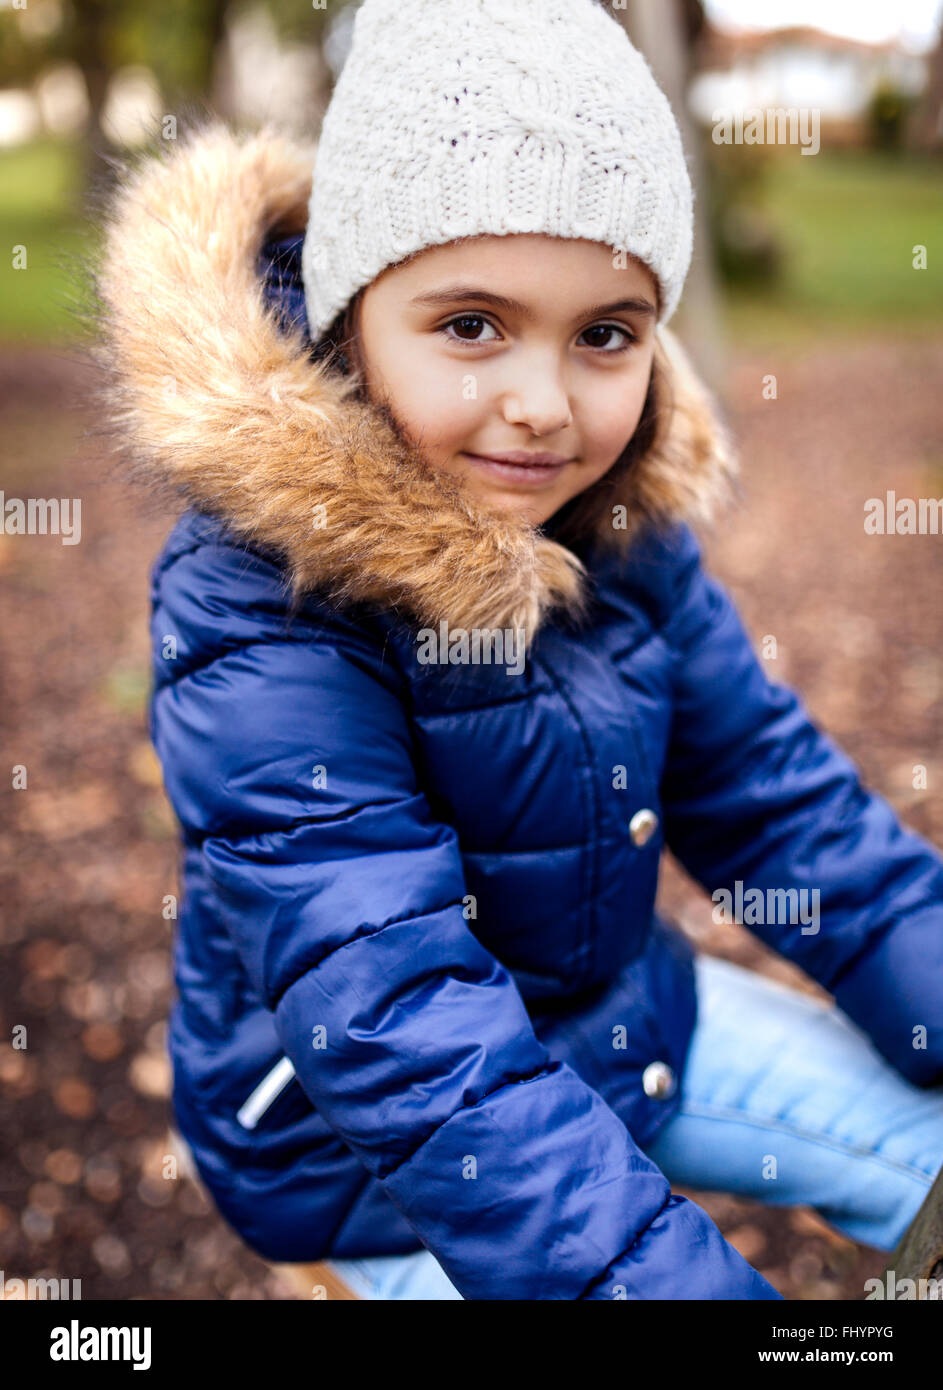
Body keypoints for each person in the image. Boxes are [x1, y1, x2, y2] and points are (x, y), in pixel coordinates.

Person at [91, 0, 943, 1301]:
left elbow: (781, 805)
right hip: (369, 1148)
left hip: (622, 1028)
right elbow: (398, 1025)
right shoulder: (259, 598)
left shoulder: (620, 527)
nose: (544, 405)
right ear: (348, 316)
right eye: (473, 325)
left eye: (605, 333)